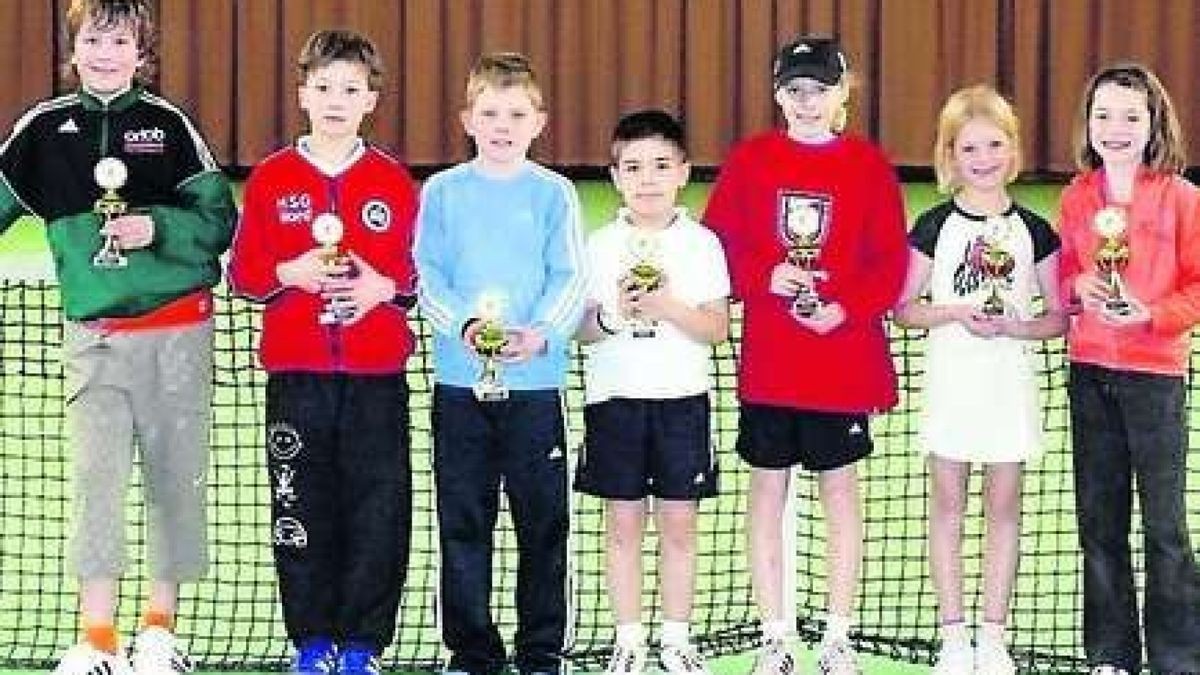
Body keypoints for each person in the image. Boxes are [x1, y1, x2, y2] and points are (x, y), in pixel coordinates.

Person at [0, 0, 236, 672]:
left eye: (121, 42)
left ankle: (160, 632)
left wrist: (155, 227)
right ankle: (97, 640)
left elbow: (218, 222)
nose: (106, 54)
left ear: (142, 53)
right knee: (96, 485)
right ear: (73, 51)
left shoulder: (171, 126)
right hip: (93, 340)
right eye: (94, 41)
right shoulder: (42, 132)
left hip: (178, 334)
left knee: (173, 485)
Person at [703, 35, 908, 675]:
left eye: (820, 89)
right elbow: (716, 248)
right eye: (795, 90)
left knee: (841, 499)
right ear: (777, 95)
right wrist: (766, 275)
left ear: (843, 93)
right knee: (767, 496)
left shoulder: (869, 166)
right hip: (771, 369)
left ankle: (838, 636)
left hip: (840, 369)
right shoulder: (750, 161)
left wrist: (843, 308)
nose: (807, 101)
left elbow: (890, 263)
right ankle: (775, 637)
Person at [227, 29, 418, 675]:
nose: (337, 100)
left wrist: (380, 288)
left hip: (376, 378)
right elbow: (245, 274)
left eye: (351, 89)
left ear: (372, 100)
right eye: (324, 87)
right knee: (300, 506)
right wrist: (293, 270)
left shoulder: (392, 181)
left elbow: (416, 274)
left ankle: (363, 644)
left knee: (379, 510)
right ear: (303, 94)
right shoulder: (271, 178)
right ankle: (311, 639)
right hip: (297, 377)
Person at [413, 52, 586, 675]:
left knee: (544, 524)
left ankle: (543, 651)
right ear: (467, 119)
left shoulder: (555, 194)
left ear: (539, 122)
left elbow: (571, 276)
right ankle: (471, 653)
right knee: (463, 522)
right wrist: (465, 326)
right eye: (489, 114)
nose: (502, 126)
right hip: (459, 388)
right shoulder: (441, 192)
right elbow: (425, 274)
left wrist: (540, 334)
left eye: (516, 115)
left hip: (537, 389)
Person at [892, 85, 1066, 675]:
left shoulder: (1036, 231)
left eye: (995, 145)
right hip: (952, 386)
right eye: (969, 148)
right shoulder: (933, 226)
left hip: (1008, 389)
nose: (984, 158)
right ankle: (953, 637)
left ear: (1013, 150)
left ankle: (993, 636)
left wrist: (1018, 327)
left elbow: (1058, 317)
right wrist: (957, 313)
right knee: (946, 505)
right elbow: (904, 310)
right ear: (949, 155)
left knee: (1004, 508)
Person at [573, 109, 730, 675]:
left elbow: (716, 328)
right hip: (613, 403)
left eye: (661, 165)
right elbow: (581, 330)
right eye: (634, 167)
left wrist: (667, 307)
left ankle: (677, 640)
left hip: (682, 403)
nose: (648, 179)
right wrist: (616, 316)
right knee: (622, 526)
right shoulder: (596, 246)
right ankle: (629, 642)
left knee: (679, 527)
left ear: (683, 172)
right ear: (615, 177)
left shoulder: (703, 245)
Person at [1056, 62, 1200, 675]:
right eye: (1103, 115)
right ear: (1088, 124)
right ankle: (1111, 656)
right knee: (1099, 524)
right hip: (1090, 374)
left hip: (1157, 378)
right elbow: (1065, 274)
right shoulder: (1075, 197)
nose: (1115, 128)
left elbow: (1197, 287)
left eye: (1130, 117)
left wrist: (1153, 315)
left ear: (1153, 124)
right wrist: (1078, 287)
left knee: (1165, 528)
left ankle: (1178, 659)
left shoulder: (1184, 198)